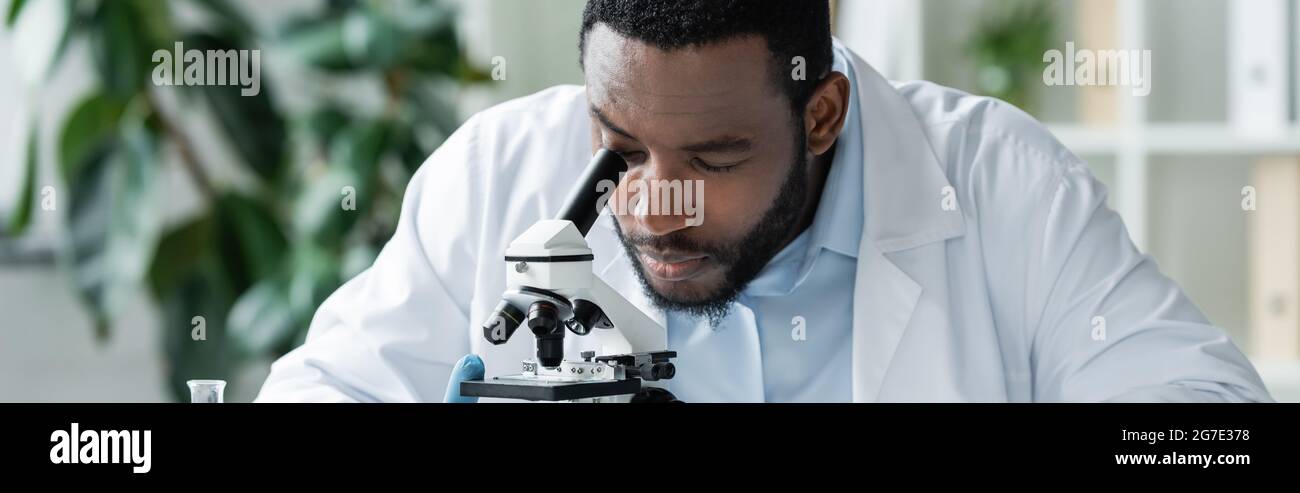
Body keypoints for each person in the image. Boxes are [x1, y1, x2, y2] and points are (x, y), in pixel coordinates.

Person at [256, 0, 1272, 403]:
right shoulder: (496, 176)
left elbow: (1204, 420)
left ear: (821, 111)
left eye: (713, 153)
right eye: (618, 146)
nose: (653, 204)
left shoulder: (999, 180)